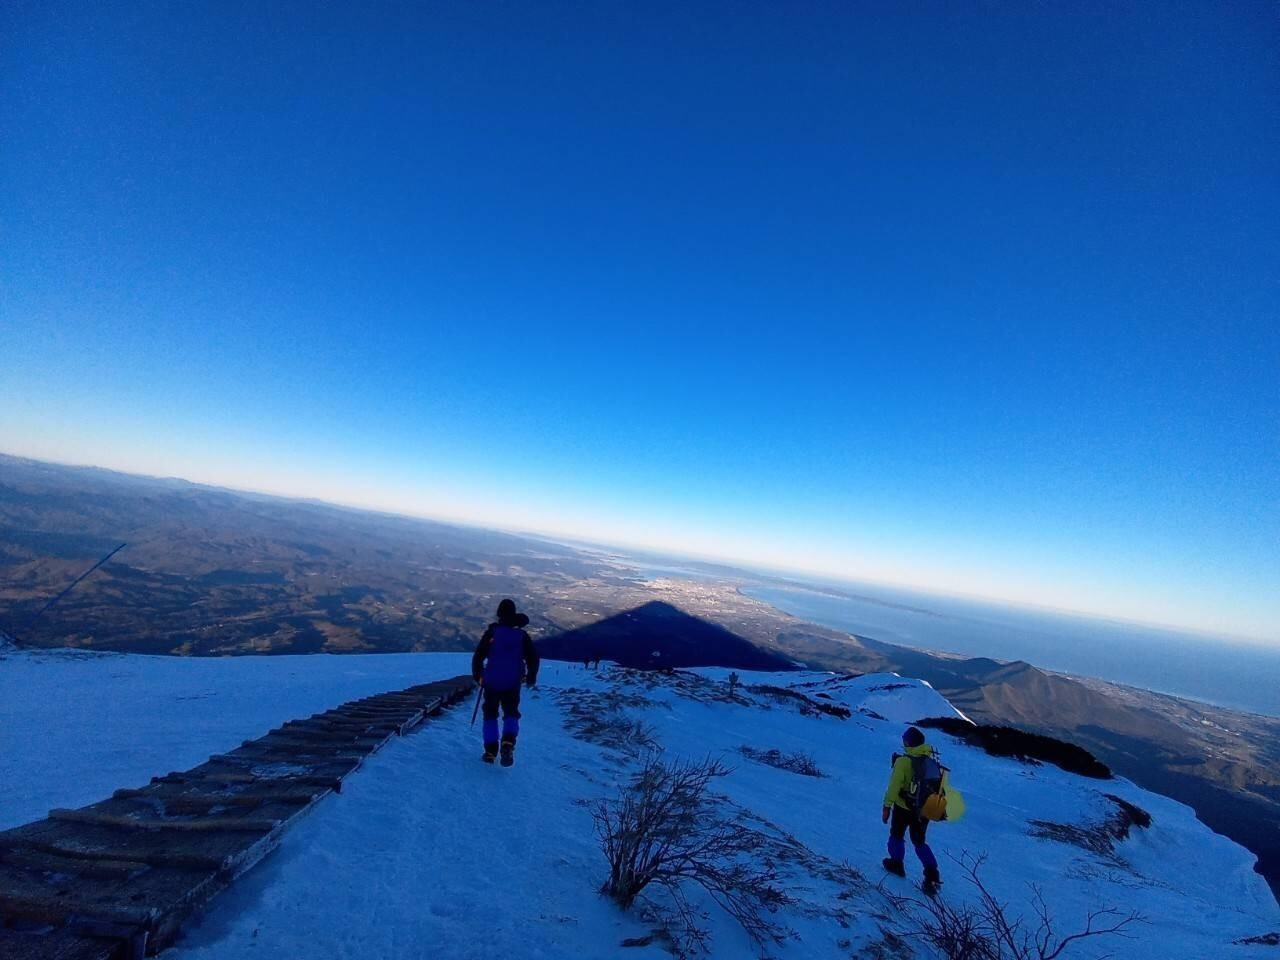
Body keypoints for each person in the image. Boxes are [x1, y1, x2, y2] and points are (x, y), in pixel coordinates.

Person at [472, 599, 539, 767]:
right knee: (511, 713)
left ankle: (490, 752)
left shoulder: (492, 633)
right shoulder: (522, 636)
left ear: (499, 614)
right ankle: (508, 743)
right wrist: (531, 676)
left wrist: (478, 676)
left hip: (492, 680)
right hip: (512, 681)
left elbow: (478, 656)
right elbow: (533, 657)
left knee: (490, 715)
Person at [882, 726, 942, 894]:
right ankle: (932, 875)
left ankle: (896, 864)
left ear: (909, 742)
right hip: (923, 810)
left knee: (896, 835)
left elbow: (894, 787)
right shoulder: (929, 760)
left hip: (902, 807)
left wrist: (886, 806)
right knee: (919, 841)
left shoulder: (903, 761)